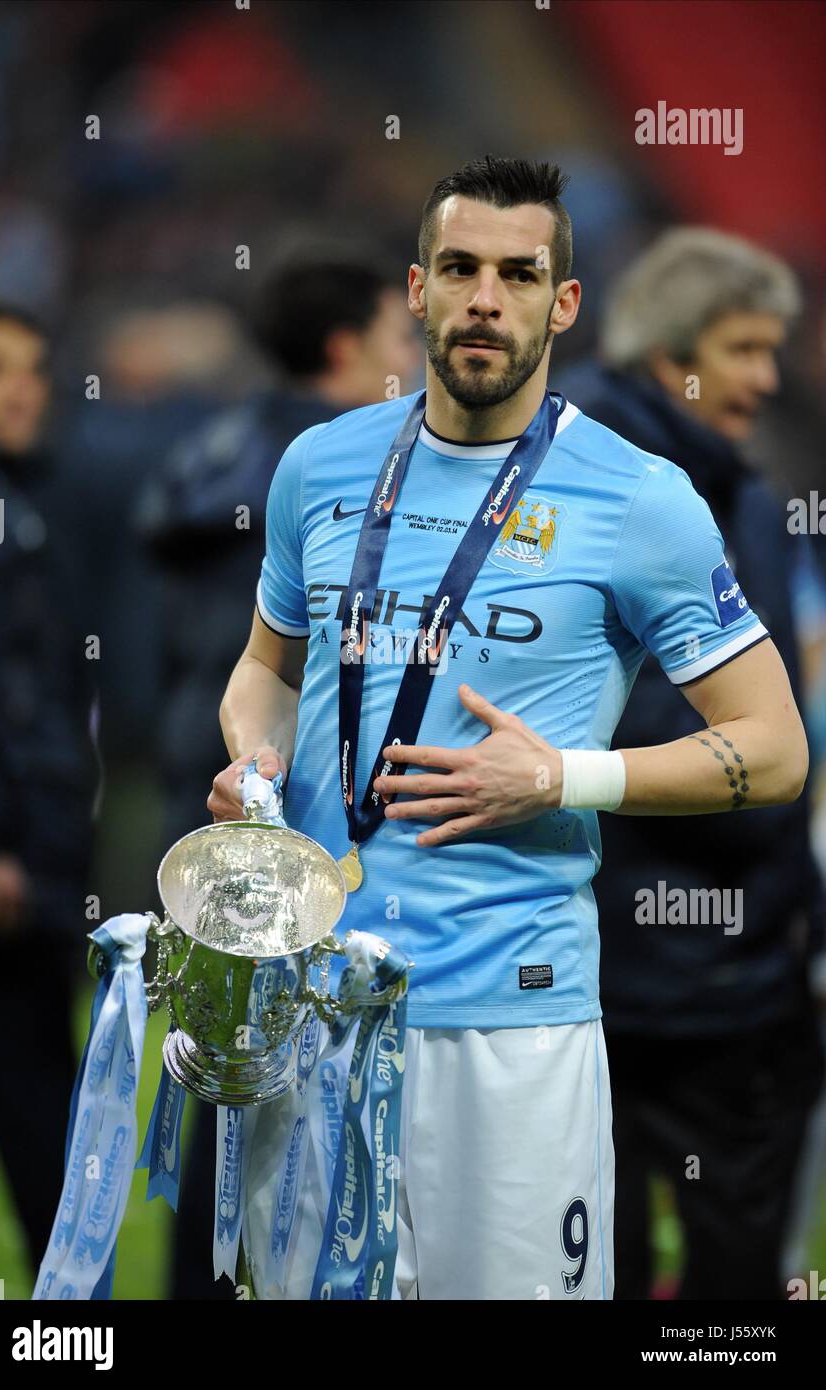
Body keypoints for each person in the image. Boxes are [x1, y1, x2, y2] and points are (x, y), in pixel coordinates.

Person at [207, 157, 810, 1301]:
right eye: (461, 268)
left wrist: (566, 775)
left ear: (562, 304)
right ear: (419, 290)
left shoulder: (640, 498)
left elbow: (776, 746)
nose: (487, 298)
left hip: (513, 1023)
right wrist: (256, 761)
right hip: (315, 1008)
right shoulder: (318, 469)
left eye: (520, 273)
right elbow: (262, 669)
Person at [139, 253, 419, 1299]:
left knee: (227, 1080)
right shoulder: (313, 476)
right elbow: (266, 668)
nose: (414, 368)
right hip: (257, 815)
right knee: (248, 1088)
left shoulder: (209, 448)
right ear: (345, 348)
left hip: (208, 795)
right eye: (401, 342)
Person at [557, 229, 826, 1300]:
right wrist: (760, 793)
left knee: (717, 1279)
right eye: (746, 348)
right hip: (625, 965)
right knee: (629, 1277)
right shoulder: (590, 489)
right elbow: (716, 743)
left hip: (731, 967)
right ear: (673, 352)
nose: (769, 377)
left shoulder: (746, 494)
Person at [0, 304, 97, 1279]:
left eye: (34, 367)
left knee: (44, 1132)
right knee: (39, 1136)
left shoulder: (21, 498)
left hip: (33, 873)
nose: (22, 387)